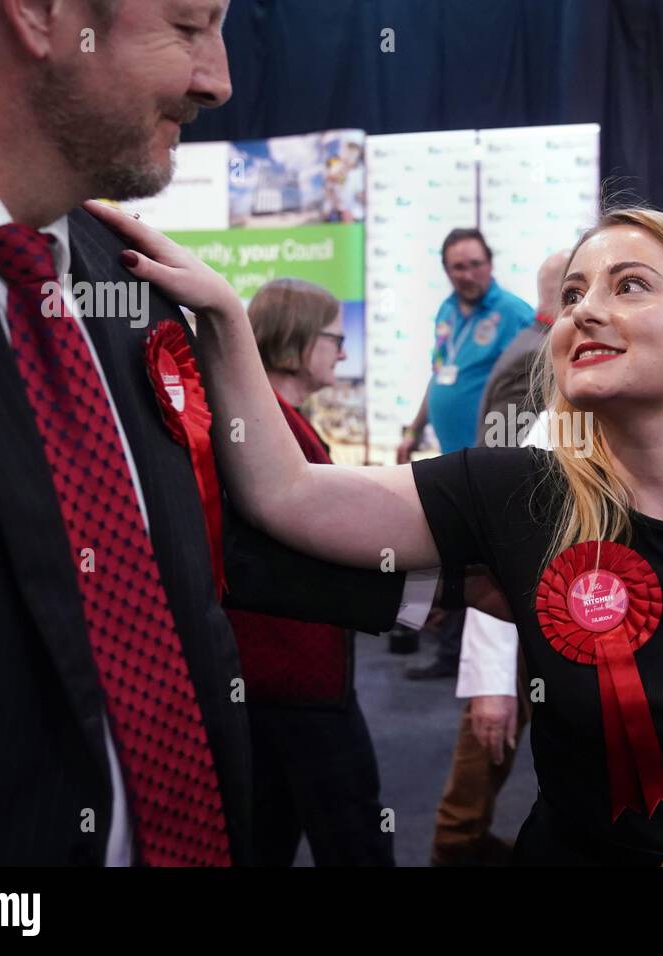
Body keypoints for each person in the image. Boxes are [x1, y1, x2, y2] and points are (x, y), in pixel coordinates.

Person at [92, 200, 663, 867]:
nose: (585, 309)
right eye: (574, 292)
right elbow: (285, 494)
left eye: (630, 285)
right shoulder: (517, 490)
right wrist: (228, 319)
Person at [0, 0, 440, 865]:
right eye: (188, 27)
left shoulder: (130, 278)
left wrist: (442, 575)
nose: (219, 80)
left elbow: (161, 538)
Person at [225, 278, 393, 866]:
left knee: (265, 832)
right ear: (297, 340)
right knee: (355, 840)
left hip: (271, 670)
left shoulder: (266, 421)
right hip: (299, 672)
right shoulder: (279, 428)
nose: (344, 353)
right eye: (335, 339)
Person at [431, 249, 567, 866]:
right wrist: (489, 673)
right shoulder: (531, 365)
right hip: (521, 601)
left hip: (565, 602)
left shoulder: (547, 354)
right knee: (485, 750)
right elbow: (503, 515)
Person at [397, 228, 534, 680]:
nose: (468, 274)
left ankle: (460, 654)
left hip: (484, 460)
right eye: (458, 266)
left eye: (476, 264)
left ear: (490, 264)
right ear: (446, 270)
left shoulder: (514, 314)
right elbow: (439, 376)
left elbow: (532, 391)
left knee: (468, 553)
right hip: (447, 455)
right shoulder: (446, 312)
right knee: (445, 546)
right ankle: (440, 640)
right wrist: (415, 428)